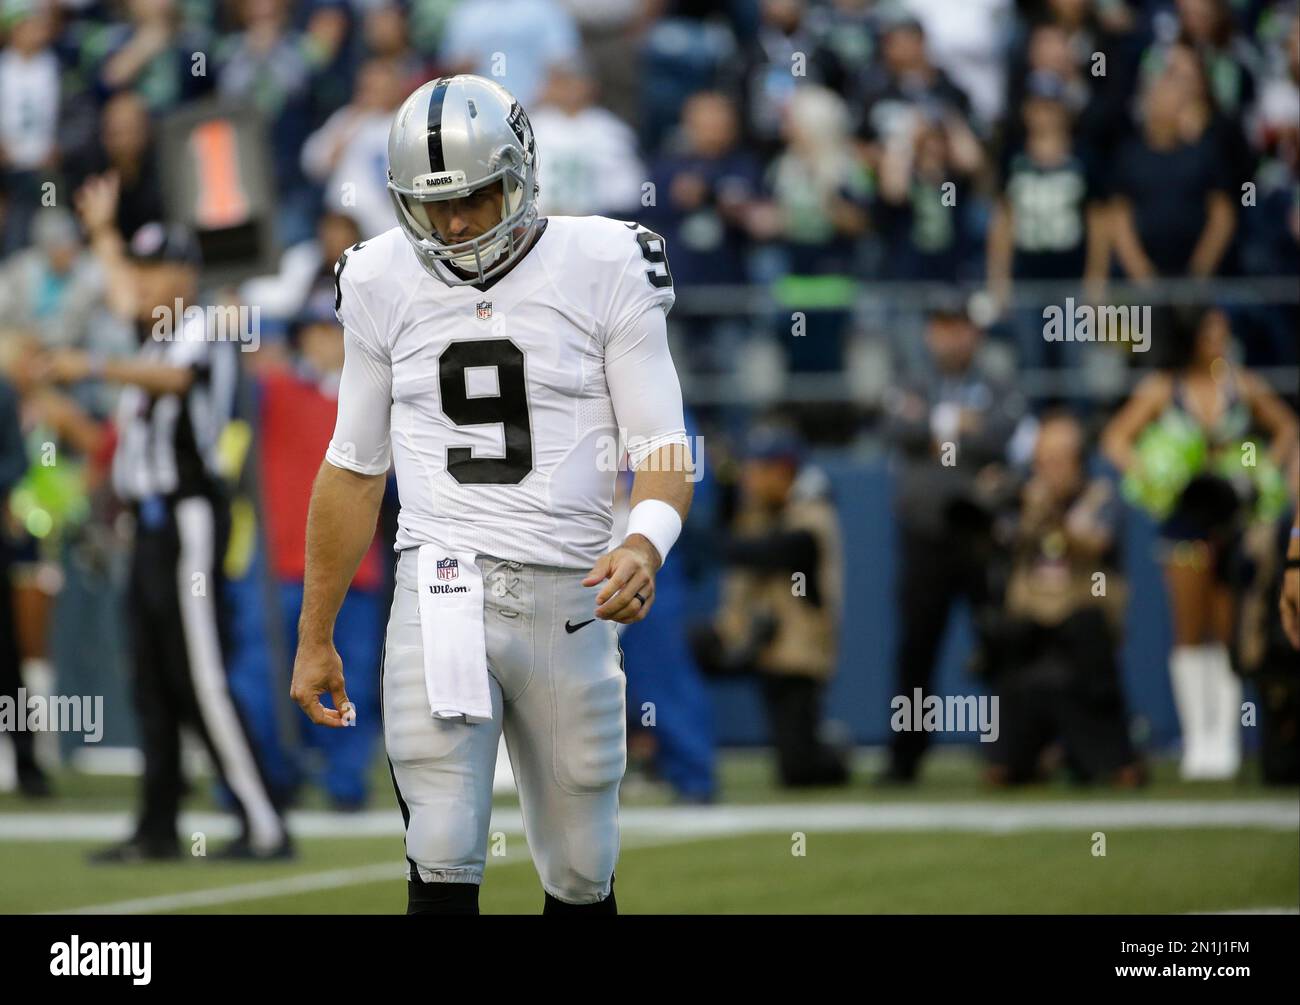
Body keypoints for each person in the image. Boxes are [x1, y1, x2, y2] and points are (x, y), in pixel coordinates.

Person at [289, 75, 694, 915]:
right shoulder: (375, 277)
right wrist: (314, 632)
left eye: (474, 196)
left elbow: (660, 446)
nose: (457, 224)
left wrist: (644, 541)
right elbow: (354, 467)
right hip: (441, 590)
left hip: (571, 594)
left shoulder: (606, 260)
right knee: (440, 849)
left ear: (521, 172)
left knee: (582, 869)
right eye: (435, 206)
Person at [46, 175, 290, 861]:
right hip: (149, 527)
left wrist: (90, 362)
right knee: (151, 676)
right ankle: (157, 824)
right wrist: (102, 233)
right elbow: (127, 299)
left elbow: (175, 381)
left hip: (189, 518)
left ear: (186, 273)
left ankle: (264, 818)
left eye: (160, 271)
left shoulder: (205, 323)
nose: (145, 285)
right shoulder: (151, 332)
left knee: (202, 674)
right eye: (144, 270)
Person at [1102, 307, 1298, 779]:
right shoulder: (1163, 389)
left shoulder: (1241, 384)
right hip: (1185, 520)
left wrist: (1258, 473)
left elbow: (1287, 427)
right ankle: (1199, 737)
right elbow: (1116, 439)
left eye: (1224, 331)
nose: (1220, 339)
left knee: (1228, 624)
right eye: (1212, 331)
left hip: (1233, 517)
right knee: (1189, 628)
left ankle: (1226, 738)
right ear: (1191, 338)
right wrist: (1155, 476)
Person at [879, 301, 1023, 784]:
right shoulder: (911, 380)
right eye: (941, 327)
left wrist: (935, 423)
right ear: (927, 334)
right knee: (916, 648)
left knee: (998, 641)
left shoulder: (997, 383)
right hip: (923, 534)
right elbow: (898, 426)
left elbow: (1004, 433)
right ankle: (905, 760)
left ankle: (1008, 755)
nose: (950, 338)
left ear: (974, 334)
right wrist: (956, 422)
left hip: (981, 535)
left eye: (959, 327)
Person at [985, 413, 1143, 787]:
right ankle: (1014, 754)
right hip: (1033, 620)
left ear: (1078, 462)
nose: (1049, 471)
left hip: (1084, 617)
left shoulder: (1101, 495)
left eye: (1058, 461)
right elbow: (1002, 540)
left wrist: (1051, 516)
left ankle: (1113, 757)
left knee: (1086, 635)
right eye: (1042, 462)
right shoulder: (1023, 498)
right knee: (1006, 635)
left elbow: (1095, 543)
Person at [690, 425, 848, 788]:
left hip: (792, 653)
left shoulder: (813, 515)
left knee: (798, 771)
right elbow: (728, 518)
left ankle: (833, 750)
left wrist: (702, 541)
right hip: (744, 635)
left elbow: (766, 552)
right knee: (680, 650)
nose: (751, 477)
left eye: (762, 469)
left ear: (785, 472)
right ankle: (661, 746)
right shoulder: (754, 509)